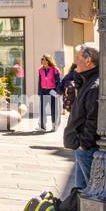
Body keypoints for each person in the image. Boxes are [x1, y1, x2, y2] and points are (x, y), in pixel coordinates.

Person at [63, 45, 101, 189]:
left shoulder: (94, 87)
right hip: (83, 147)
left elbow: (94, 119)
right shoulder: (87, 82)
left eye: (78, 57)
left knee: (91, 190)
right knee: (80, 190)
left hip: (87, 148)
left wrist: (83, 144)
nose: (74, 61)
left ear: (88, 60)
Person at [37, 54, 62, 133]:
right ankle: (42, 126)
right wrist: (39, 92)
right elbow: (40, 82)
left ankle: (54, 126)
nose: (42, 61)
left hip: (52, 91)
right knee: (42, 109)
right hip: (43, 91)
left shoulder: (55, 69)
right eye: (42, 59)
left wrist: (58, 91)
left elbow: (59, 82)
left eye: (43, 59)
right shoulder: (40, 70)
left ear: (48, 61)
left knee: (54, 109)